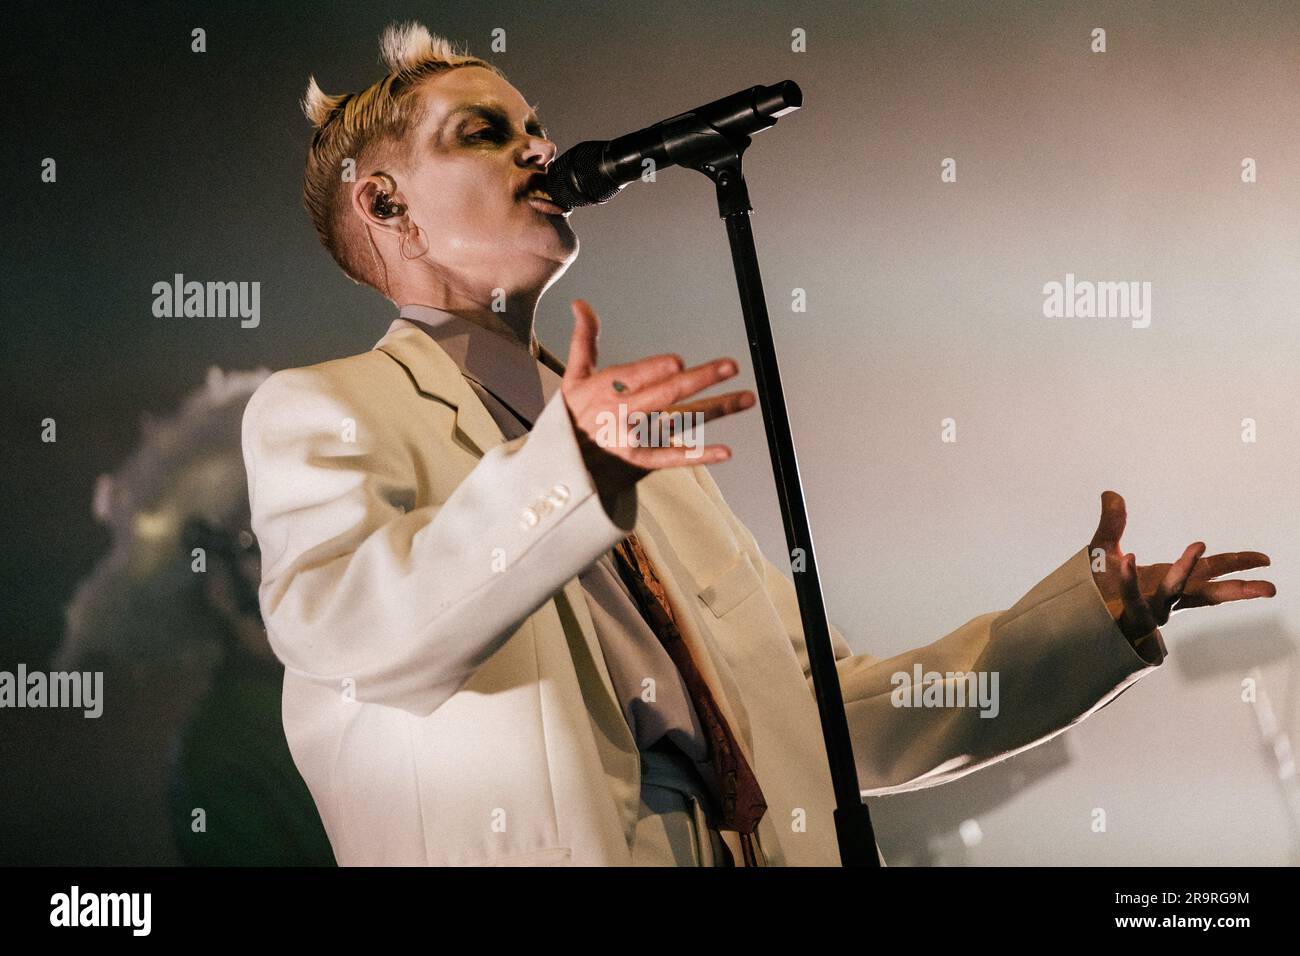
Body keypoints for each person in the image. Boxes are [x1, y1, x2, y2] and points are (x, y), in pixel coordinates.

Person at [241, 21, 1276, 866]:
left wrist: (1080, 630)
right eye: (482, 132)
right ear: (383, 203)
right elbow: (347, 630)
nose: (540, 149)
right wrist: (570, 474)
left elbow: (831, 717)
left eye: (537, 126)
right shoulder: (325, 412)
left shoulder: (638, 456)